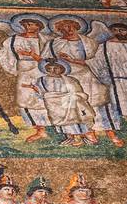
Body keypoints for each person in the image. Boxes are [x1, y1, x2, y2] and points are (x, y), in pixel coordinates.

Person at [46, 17, 115, 146]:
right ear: (59, 30)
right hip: (65, 78)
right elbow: (46, 60)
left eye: (72, 26)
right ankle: (75, 135)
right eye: (65, 27)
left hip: (87, 76)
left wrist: (73, 60)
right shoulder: (54, 43)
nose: (69, 29)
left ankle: (93, 134)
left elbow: (98, 61)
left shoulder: (89, 42)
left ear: (77, 27)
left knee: (91, 104)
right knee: (69, 106)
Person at [0, 15, 52, 141]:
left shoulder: (46, 40)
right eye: (26, 24)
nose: (28, 26)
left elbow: (52, 59)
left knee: (45, 99)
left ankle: (56, 128)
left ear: (39, 26)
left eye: (32, 24)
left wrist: (33, 55)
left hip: (43, 72)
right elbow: (2, 55)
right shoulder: (13, 40)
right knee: (24, 100)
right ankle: (40, 130)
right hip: (24, 72)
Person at [31, 60, 94, 143]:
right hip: (54, 104)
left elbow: (76, 91)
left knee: (74, 119)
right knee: (62, 122)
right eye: (49, 68)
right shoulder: (42, 80)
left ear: (62, 69)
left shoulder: (70, 80)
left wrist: (71, 97)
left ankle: (79, 137)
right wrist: (39, 92)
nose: (52, 71)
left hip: (69, 103)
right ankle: (70, 137)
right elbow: (41, 93)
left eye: (56, 68)